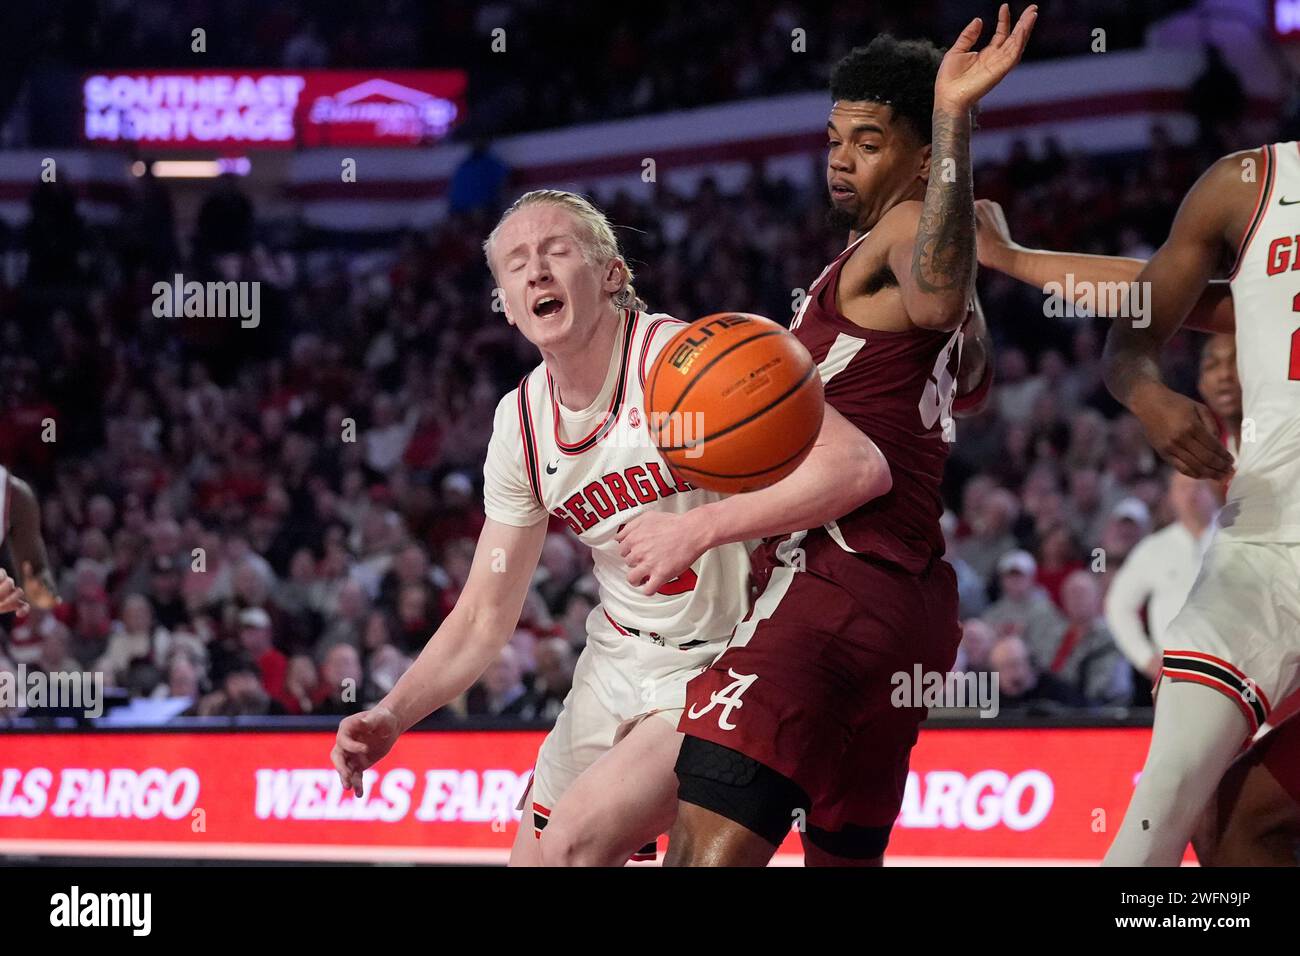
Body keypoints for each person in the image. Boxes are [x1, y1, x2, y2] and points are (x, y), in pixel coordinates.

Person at [331, 189, 888, 866]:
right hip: (618, 659)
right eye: (515, 264)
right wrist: (393, 714)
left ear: (612, 274)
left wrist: (704, 525)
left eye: (556, 250)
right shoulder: (522, 424)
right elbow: (483, 615)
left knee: (573, 843)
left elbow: (860, 467)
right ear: (505, 304)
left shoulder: (685, 361)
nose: (535, 270)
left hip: (735, 658)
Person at [616, 6, 1038, 866]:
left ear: (921, 155)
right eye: (836, 137)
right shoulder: (920, 252)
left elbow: (929, 309)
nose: (842, 158)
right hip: (912, 609)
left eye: (871, 141)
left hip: (837, 584)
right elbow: (971, 378)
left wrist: (954, 122)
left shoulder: (902, 230)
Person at [1100, 137, 1300, 865]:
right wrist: (1149, 395)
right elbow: (1132, 327)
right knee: (1178, 811)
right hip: (1265, 546)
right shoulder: (1246, 184)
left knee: (1252, 817)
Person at [1104, 472, 1220, 682]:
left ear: (1216, 490)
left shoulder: (1239, 542)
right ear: (1171, 496)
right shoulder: (1153, 549)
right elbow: (1117, 605)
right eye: (1184, 488)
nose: (1192, 495)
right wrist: (1146, 658)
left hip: (1233, 670)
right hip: (1175, 671)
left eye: (1199, 487)